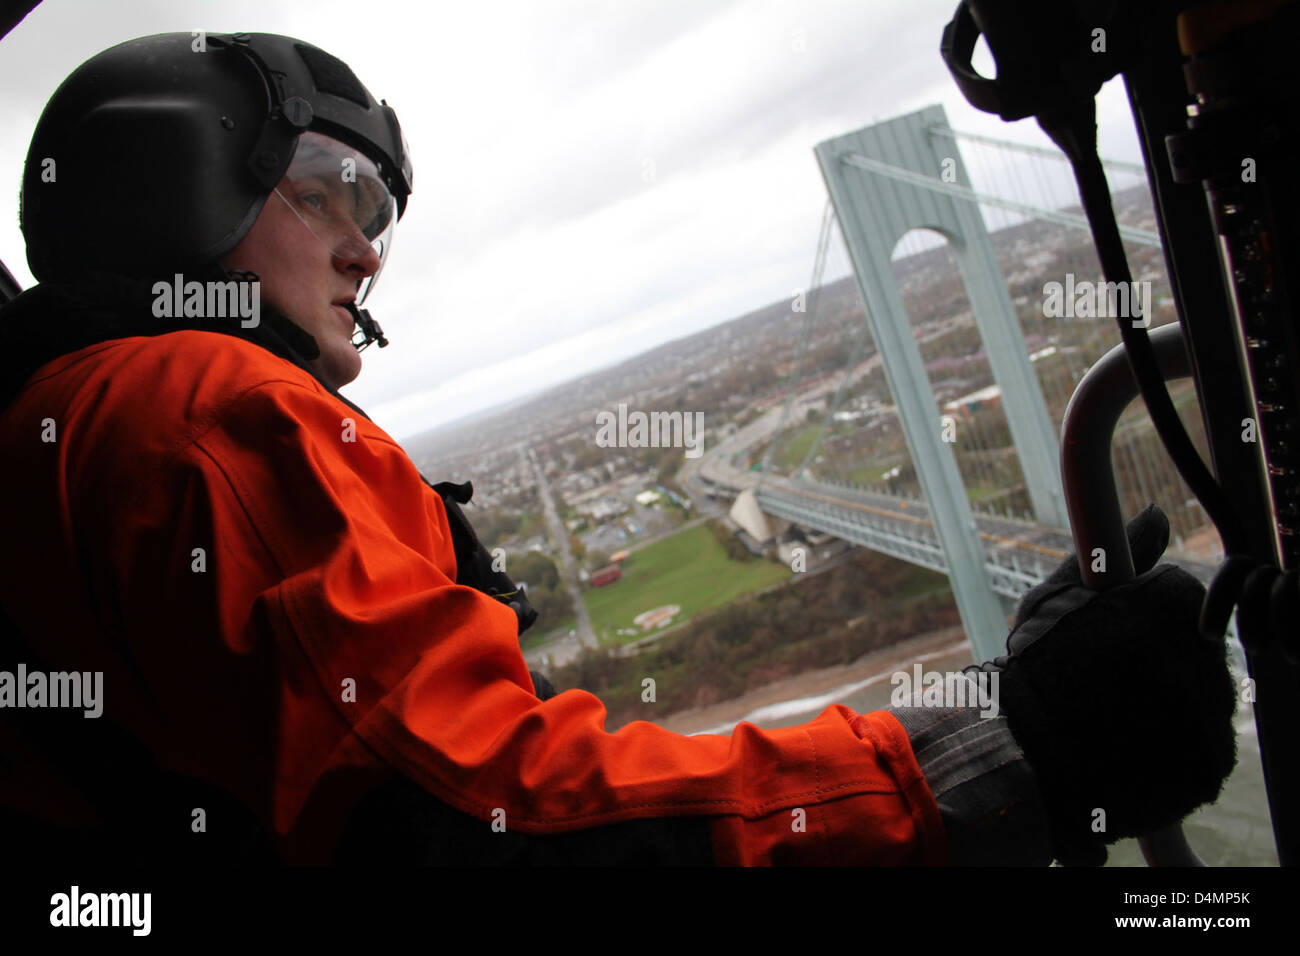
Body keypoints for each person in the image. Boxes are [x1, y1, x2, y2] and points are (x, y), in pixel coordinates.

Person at [0, 31, 1238, 866]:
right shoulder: (203, 407)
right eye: (332, 189)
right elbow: (475, 812)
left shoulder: (69, 429)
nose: (368, 248)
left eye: (380, 213)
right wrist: (1001, 742)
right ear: (184, 180)